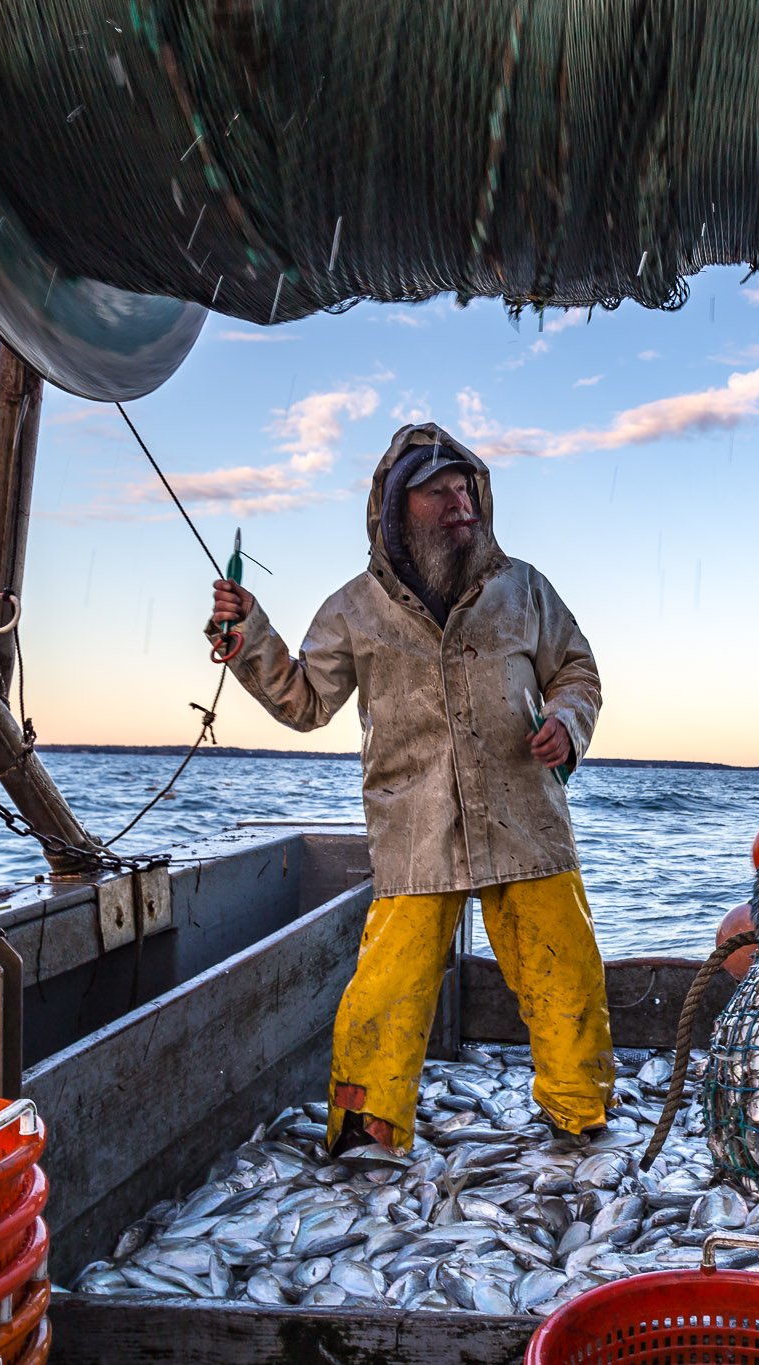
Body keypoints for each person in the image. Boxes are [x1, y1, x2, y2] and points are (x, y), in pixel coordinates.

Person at [206, 422, 614, 1152]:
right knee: (385, 994)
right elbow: (304, 701)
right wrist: (249, 636)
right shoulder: (352, 609)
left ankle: (579, 1122)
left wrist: (567, 721)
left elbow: (576, 670)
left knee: (569, 976)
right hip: (414, 832)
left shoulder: (524, 588)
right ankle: (368, 1134)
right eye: (439, 492)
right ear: (399, 507)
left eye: (466, 488)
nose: (461, 503)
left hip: (528, 825)